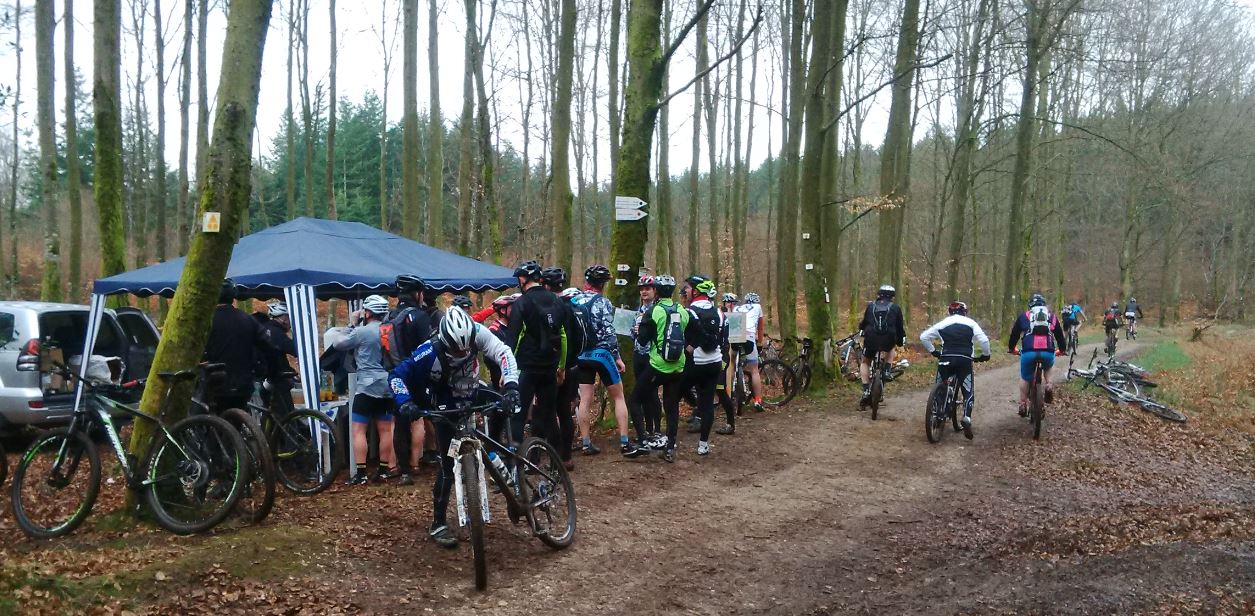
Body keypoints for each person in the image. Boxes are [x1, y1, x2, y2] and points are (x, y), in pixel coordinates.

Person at [389, 307, 520, 548]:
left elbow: (503, 352)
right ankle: (438, 522)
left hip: (473, 391)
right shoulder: (428, 351)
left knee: (506, 406)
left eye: (466, 348)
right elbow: (397, 375)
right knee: (447, 464)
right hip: (445, 402)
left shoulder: (477, 332)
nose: (462, 352)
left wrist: (511, 384)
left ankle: (508, 461)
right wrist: (405, 402)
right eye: (456, 349)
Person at [570, 265, 645, 458]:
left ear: (586, 282)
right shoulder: (603, 303)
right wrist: (617, 357)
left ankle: (586, 442)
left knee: (584, 399)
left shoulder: (573, 301)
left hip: (581, 355)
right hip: (602, 354)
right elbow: (609, 332)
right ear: (602, 284)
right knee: (618, 396)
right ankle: (624, 442)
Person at [504, 261, 569, 456]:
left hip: (527, 367)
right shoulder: (557, 301)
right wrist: (562, 366)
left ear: (524, 279)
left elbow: (513, 339)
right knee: (547, 414)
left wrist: (507, 370)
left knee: (519, 415)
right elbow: (563, 336)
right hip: (550, 366)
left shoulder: (521, 303)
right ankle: (547, 459)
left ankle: (514, 465)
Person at [334, 295, 398, 485]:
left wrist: (351, 324)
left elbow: (338, 343)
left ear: (368, 312)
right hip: (387, 384)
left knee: (358, 430)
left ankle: (361, 474)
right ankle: (384, 470)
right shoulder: (392, 331)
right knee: (386, 430)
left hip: (366, 385)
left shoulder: (361, 332)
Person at [388, 274, 444, 485]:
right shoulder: (419, 317)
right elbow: (431, 346)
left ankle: (404, 472)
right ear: (418, 294)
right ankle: (422, 462)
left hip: (397, 376)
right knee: (431, 417)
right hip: (419, 376)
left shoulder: (391, 316)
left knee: (400, 423)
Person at [630, 275, 689, 462]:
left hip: (658, 366)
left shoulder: (654, 311)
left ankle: (642, 441)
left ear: (656, 291)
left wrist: (637, 332)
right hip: (678, 366)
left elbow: (643, 340)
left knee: (634, 400)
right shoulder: (682, 310)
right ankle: (670, 447)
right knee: (671, 406)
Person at [919, 301, 991, 439]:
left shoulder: (943, 323)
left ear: (949, 312)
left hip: (945, 357)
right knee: (968, 390)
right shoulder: (971, 323)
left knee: (940, 384)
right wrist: (985, 355)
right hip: (964, 359)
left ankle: (938, 409)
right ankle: (967, 417)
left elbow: (924, 337)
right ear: (965, 312)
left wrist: (933, 351)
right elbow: (984, 340)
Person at [204, 279, 274, 410]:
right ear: (233, 297)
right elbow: (267, 345)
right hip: (243, 383)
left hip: (214, 383)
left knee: (214, 419)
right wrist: (264, 367)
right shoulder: (248, 319)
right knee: (238, 419)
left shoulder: (206, 321)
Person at [681, 276, 725, 455]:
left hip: (694, 363)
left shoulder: (688, 311)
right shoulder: (719, 312)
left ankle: (670, 442)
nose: (686, 292)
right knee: (707, 405)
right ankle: (703, 445)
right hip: (714, 362)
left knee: (674, 394)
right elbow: (722, 337)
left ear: (696, 291)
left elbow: (682, 336)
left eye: (688, 289)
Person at [540, 266, 578, 470]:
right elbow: (580, 338)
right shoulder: (573, 307)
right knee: (564, 413)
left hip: (553, 368)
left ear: (545, 285)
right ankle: (566, 457)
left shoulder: (550, 308)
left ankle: (556, 460)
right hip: (572, 367)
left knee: (547, 413)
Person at [1007, 294, 1067, 416]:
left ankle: (1023, 403)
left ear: (1030, 306)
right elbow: (1060, 336)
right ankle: (1049, 385)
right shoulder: (1052, 317)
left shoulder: (1024, 316)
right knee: (1048, 367)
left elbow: (1014, 335)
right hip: (1048, 351)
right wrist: (1062, 350)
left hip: (1028, 351)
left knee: (1025, 377)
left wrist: (1012, 348)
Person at [858, 284, 907, 404]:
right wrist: (900, 341)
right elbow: (899, 328)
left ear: (879, 295)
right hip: (888, 339)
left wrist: (862, 329)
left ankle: (865, 390)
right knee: (891, 348)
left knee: (865, 362)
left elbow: (864, 323)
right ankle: (887, 371)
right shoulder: (895, 308)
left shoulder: (870, 306)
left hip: (871, 339)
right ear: (892, 297)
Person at [631, 275, 662, 445]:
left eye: (647, 288)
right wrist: (635, 330)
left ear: (654, 291)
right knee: (642, 394)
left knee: (652, 394)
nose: (644, 291)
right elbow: (631, 332)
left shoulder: (658, 309)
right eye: (641, 289)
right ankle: (647, 430)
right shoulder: (638, 310)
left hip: (653, 356)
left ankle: (656, 430)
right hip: (638, 354)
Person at [258, 301, 299, 415]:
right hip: (275, 378)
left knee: (271, 413)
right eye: (291, 319)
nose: (291, 323)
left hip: (265, 375)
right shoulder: (276, 332)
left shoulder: (266, 328)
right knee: (285, 412)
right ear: (284, 318)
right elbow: (295, 349)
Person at [733, 292, 767, 411]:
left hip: (735, 332)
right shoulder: (758, 307)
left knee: (731, 365)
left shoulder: (737, 307)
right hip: (749, 336)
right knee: (754, 370)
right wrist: (759, 343)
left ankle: (728, 395)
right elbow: (760, 328)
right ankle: (758, 400)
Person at [715, 293, 739, 433]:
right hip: (717, 355)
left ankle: (731, 424)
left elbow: (737, 339)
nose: (731, 305)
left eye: (733, 303)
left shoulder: (735, 317)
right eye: (729, 303)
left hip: (723, 357)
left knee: (720, 389)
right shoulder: (719, 314)